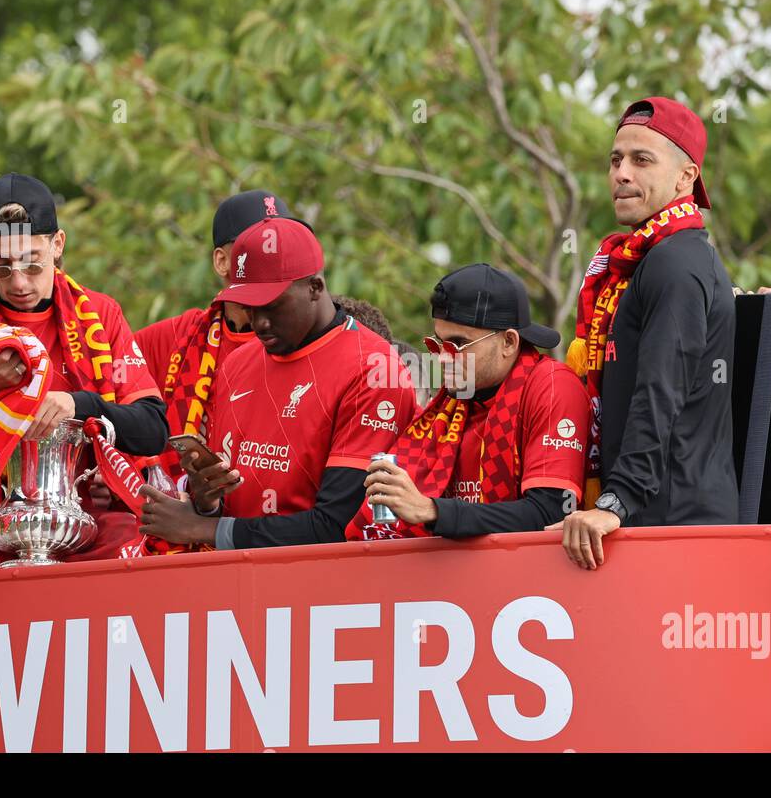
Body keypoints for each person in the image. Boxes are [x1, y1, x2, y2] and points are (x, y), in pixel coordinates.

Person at [0, 172, 167, 571]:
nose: (19, 282)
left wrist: (82, 404)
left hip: (84, 521)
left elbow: (153, 429)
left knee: (133, 549)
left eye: (32, 264)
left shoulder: (101, 315)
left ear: (57, 245)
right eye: (1, 268)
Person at [137, 217, 416, 549]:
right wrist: (205, 500)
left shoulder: (375, 369)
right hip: (237, 584)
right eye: (250, 308)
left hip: (326, 590)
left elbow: (338, 526)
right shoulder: (237, 363)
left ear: (315, 287)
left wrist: (203, 529)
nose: (259, 322)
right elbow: (233, 506)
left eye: (273, 307)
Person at [554, 96, 737, 569]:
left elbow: (662, 389)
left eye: (642, 160)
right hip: (650, 522)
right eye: (616, 160)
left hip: (677, 530)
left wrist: (614, 503)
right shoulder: (641, 261)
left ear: (686, 178)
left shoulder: (677, 261)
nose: (622, 174)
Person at [343, 263, 589, 540]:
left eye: (457, 345)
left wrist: (434, 511)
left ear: (509, 342)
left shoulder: (552, 386)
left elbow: (551, 513)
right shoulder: (453, 399)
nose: (442, 358)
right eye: (437, 344)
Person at [133, 191, 295, 496]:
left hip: (278, 522)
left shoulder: (306, 340)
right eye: (260, 246)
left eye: (281, 245)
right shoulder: (177, 336)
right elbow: (109, 395)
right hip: (181, 516)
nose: (275, 256)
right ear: (222, 261)